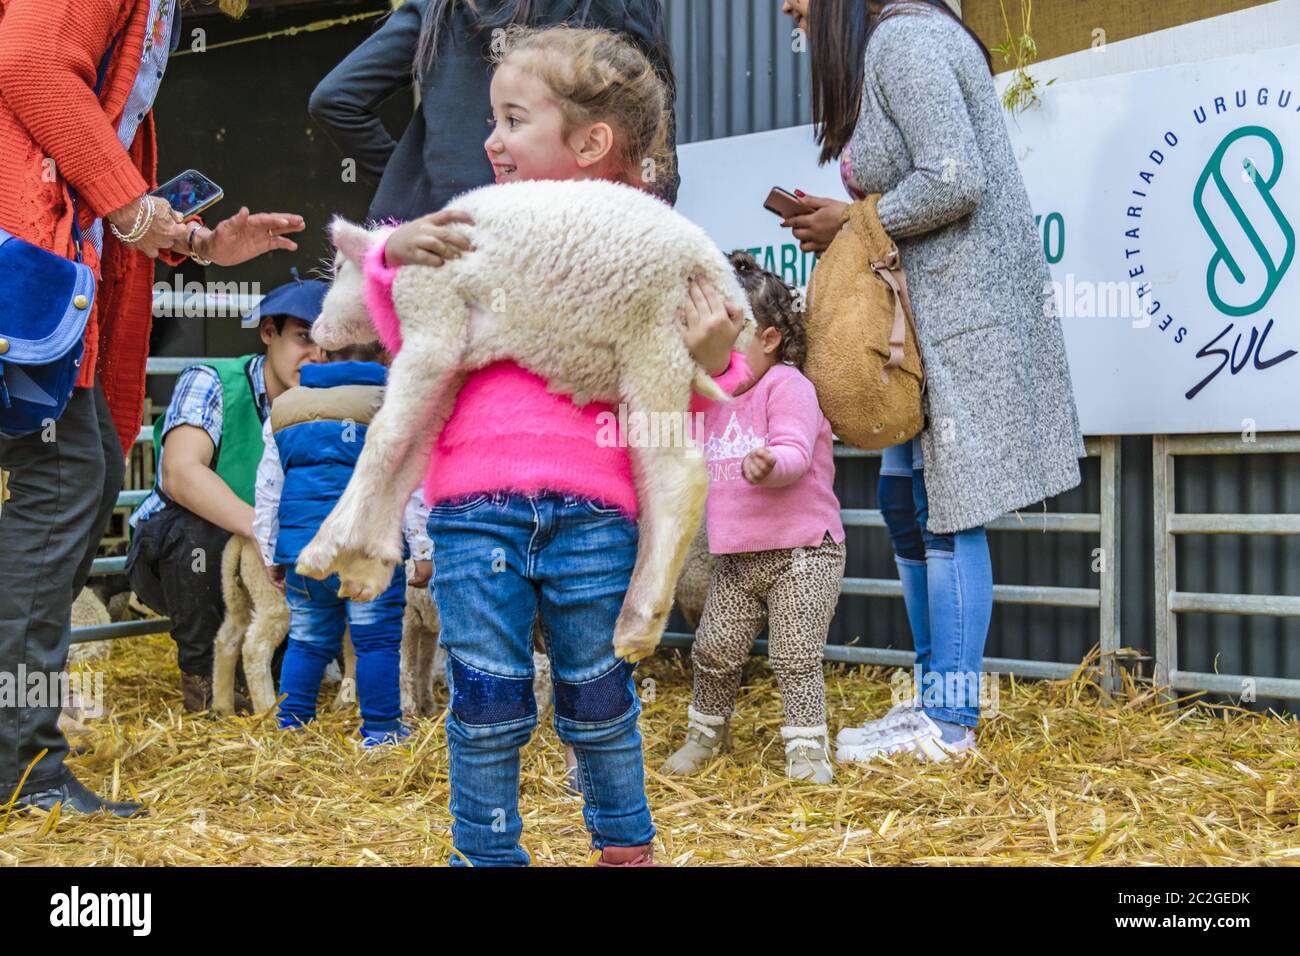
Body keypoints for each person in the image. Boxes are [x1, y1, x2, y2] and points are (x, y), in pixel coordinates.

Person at [368, 26, 745, 866]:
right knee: (489, 699)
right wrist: (389, 257)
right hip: (473, 508)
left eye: (511, 119)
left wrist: (714, 354)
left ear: (591, 143)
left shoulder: (652, 243)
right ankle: (489, 852)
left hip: (595, 511)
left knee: (598, 692)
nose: (489, 140)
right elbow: (406, 336)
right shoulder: (473, 227)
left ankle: (623, 846)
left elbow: (715, 378)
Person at [0, 0, 305, 818]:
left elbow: (101, 169)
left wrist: (197, 243)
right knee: (64, 479)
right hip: (26, 273)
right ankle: (22, 767)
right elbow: (27, 65)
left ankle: (20, 739)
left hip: (59, 287)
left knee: (86, 472)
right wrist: (133, 208)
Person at [778, 0, 1084, 762]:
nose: (788, 6)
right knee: (904, 499)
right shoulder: (898, 40)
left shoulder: (906, 41)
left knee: (948, 512)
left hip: (960, 319)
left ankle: (950, 724)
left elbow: (954, 177)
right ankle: (929, 703)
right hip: (925, 326)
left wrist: (853, 223)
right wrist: (855, 217)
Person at [662, 251, 846, 784]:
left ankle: (808, 748)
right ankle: (706, 733)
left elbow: (795, 450)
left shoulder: (788, 386)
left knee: (795, 653)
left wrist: (771, 463)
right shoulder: (712, 394)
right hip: (737, 558)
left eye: (732, 330)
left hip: (803, 552)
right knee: (714, 647)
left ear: (768, 340)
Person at [126, 278, 327, 713]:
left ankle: (270, 669)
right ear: (268, 333)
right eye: (304, 337)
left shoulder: (327, 403)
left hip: (270, 572)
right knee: (197, 533)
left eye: (328, 342)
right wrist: (261, 529)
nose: (316, 356)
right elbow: (181, 472)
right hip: (186, 556)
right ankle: (205, 680)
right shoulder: (213, 381)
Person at [252, 342, 433, 748]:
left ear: (321, 353)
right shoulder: (396, 406)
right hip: (367, 548)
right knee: (376, 642)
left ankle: (292, 728)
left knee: (307, 638)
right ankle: (382, 730)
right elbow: (413, 486)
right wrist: (422, 549)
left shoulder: (286, 408)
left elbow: (268, 489)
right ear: (388, 357)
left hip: (305, 548)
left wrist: (270, 551)